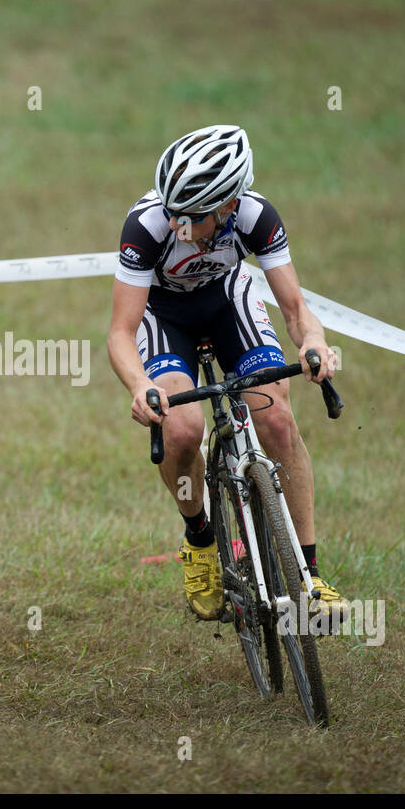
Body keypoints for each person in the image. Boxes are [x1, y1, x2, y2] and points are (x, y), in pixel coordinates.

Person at [106, 125, 345, 621]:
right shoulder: (146, 227)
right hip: (164, 315)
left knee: (276, 418)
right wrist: (139, 385)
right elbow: (121, 332)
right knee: (181, 428)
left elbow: (296, 309)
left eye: (190, 217)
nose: (176, 225)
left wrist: (315, 341)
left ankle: (310, 574)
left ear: (228, 207)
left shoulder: (257, 217)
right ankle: (200, 539)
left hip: (227, 301)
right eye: (172, 212)